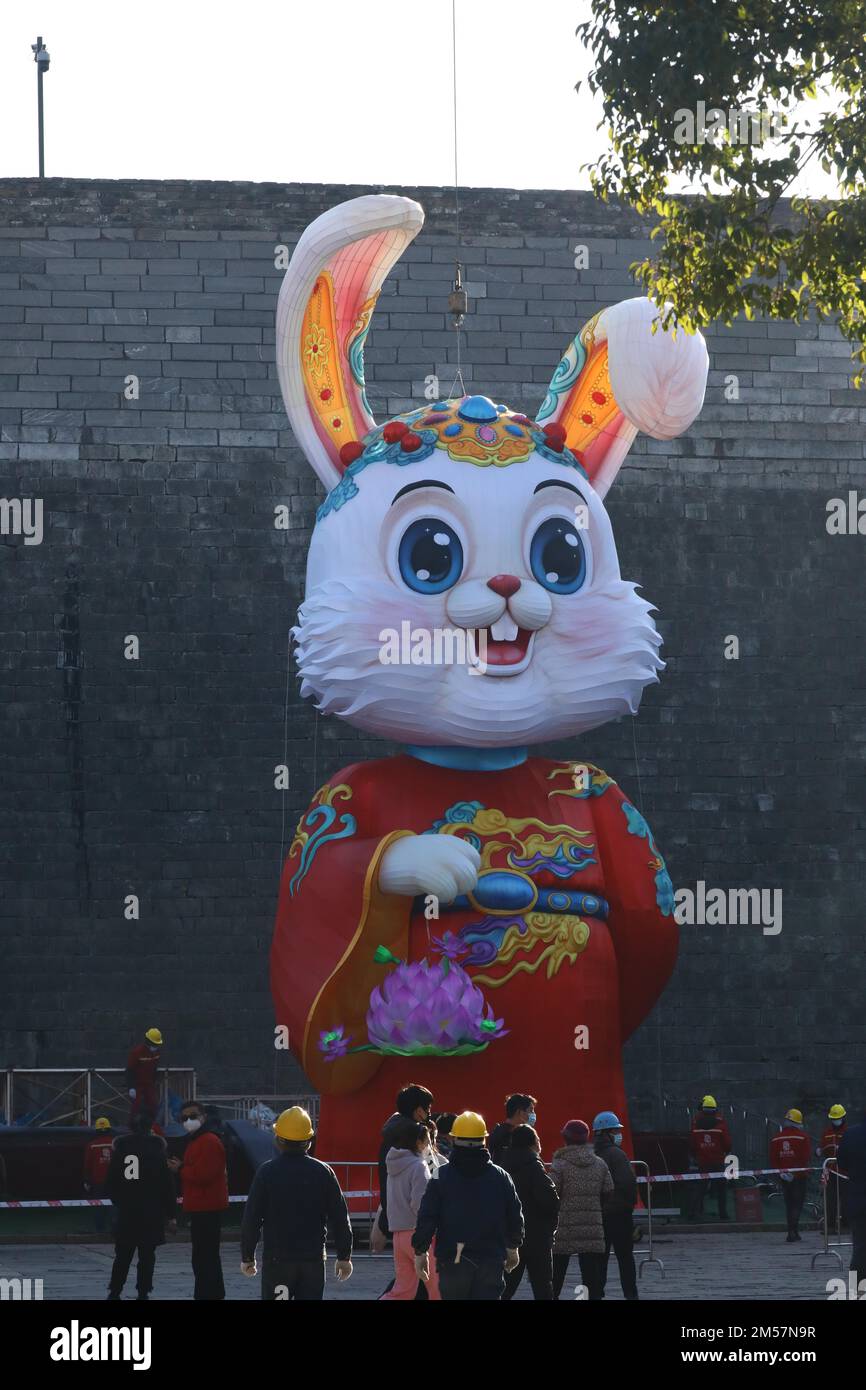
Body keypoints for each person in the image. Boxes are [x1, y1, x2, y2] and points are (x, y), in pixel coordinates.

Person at [240, 1106, 353, 1300]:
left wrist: (248, 1257)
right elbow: (340, 1217)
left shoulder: (267, 1173)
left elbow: (252, 1218)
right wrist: (344, 1256)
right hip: (313, 1260)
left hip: (278, 1261)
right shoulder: (323, 1172)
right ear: (309, 1141)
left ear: (278, 1139)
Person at [412, 1111, 523, 1301]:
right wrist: (513, 1247)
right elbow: (514, 1214)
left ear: (454, 1139)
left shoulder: (440, 1175)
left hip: (453, 1258)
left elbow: (427, 1215)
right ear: (483, 1140)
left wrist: (420, 1251)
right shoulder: (500, 1176)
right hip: (491, 1257)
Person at [105, 1112, 176, 1301]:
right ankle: (143, 1292)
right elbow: (166, 1185)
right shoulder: (157, 1151)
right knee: (147, 1256)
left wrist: (120, 1201)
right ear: (150, 1128)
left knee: (122, 1255)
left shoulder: (122, 1149)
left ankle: (115, 1291)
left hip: (128, 1211)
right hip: (151, 1212)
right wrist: (170, 1213)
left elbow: (111, 1181)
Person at [168, 1100, 229, 1299]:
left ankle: (208, 1294)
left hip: (206, 1207)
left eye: (192, 1116)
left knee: (205, 1258)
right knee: (204, 1257)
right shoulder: (198, 1140)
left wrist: (181, 1169)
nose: (188, 1121)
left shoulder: (209, 1141)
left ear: (203, 1116)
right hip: (201, 1206)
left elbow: (204, 1175)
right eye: (184, 1118)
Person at [551, 1119, 613, 1300]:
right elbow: (609, 1190)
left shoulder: (560, 1164)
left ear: (565, 1138)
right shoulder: (599, 1163)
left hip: (564, 1226)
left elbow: (552, 1190)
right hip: (592, 1226)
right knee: (591, 1276)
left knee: (556, 1274)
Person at [380, 1120, 443, 1300]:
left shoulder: (394, 1165)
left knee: (403, 1291)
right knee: (437, 1288)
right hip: (419, 1234)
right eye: (427, 1140)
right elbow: (421, 1204)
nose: (429, 1144)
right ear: (418, 1142)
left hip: (399, 1235)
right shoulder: (419, 1166)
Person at [498, 1124, 559, 1300]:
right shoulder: (534, 1166)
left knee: (505, 1287)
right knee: (543, 1287)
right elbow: (550, 1200)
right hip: (537, 1236)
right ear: (532, 1143)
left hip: (510, 1237)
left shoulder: (502, 1167)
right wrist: (550, 1226)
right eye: (538, 1139)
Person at [377, 1083, 433, 1237]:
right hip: (416, 1222)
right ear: (419, 1110)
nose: (429, 1112)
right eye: (428, 1108)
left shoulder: (390, 1133)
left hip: (395, 1219)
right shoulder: (416, 1137)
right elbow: (433, 1169)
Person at [593, 1109, 638, 1301]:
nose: (618, 1134)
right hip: (619, 1215)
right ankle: (631, 1296)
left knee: (599, 1261)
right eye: (615, 1131)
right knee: (625, 1259)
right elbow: (627, 1183)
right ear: (607, 1133)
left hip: (599, 1215)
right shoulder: (616, 1154)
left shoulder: (593, 1154)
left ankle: (596, 1295)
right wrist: (629, 1206)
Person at [769, 1108, 812, 1242]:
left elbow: (773, 1158)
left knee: (789, 1204)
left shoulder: (776, 1138)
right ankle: (794, 1231)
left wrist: (781, 1172)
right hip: (799, 1176)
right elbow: (805, 1157)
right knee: (797, 1204)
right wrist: (797, 1172)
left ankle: (791, 1231)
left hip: (784, 1176)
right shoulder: (803, 1137)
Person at [688, 1095, 732, 1221]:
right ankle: (723, 1214)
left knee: (700, 1188)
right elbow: (727, 1144)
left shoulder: (696, 1124)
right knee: (721, 1189)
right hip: (718, 1161)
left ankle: (693, 1213)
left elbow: (692, 1143)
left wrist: (696, 1155)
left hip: (702, 1161)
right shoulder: (721, 1124)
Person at [836, 1111, 866, 1288]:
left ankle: (857, 1286)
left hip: (857, 1198)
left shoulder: (850, 1134)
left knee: (860, 1247)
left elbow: (842, 1163)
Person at [817, 1104, 847, 1234]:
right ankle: (830, 1227)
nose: (836, 1121)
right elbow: (822, 1147)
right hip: (830, 1171)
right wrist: (818, 1151)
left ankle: (846, 1226)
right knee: (830, 1200)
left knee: (846, 1199)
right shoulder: (827, 1133)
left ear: (843, 1117)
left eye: (838, 1118)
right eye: (833, 1118)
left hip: (845, 1172)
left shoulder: (848, 1132)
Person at [83, 1116, 115, 1234]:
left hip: (97, 1181)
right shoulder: (115, 1143)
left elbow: (87, 1164)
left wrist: (87, 1180)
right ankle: (114, 1229)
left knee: (99, 1205)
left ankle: (100, 1229)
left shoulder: (91, 1145)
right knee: (114, 1205)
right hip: (114, 1181)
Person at [126, 1028, 163, 1125]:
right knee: (136, 1106)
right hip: (137, 1084)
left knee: (153, 1105)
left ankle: (151, 1125)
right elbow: (129, 1071)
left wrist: (154, 1082)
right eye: (154, 1044)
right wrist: (131, 1087)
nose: (155, 1046)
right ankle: (132, 1126)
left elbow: (154, 1068)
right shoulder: (137, 1052)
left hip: (149, 1083)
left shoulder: (156, 1053)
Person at [488, 1094, 537, 1163]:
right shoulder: (507, 1135)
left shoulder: (498, 1131)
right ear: (519, 1112)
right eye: (531, 1110)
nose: (534, 1114)